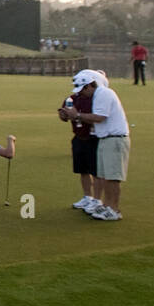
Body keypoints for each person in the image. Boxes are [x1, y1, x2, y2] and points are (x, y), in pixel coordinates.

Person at [64, 70, 129, 221]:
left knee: (113, 177)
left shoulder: (104, 93)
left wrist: (77, 115)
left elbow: (100, 117)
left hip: (115, 138)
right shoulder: (97, 94)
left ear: (90, 86)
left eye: (83, 90)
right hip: (105, 138)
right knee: (104, 176)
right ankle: (107, 206)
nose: (82, 94)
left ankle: (114, 209)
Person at [57, 71, 101, 211]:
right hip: (78, 137)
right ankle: (87, 197)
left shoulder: (97, 98)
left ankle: (97, 200)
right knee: (83, 170)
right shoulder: (71, 98)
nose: (79, 92)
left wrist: (78, 116)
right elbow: (64, 117)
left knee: (95, 171)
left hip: (93, 137)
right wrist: (63, 115)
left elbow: (97, 117)